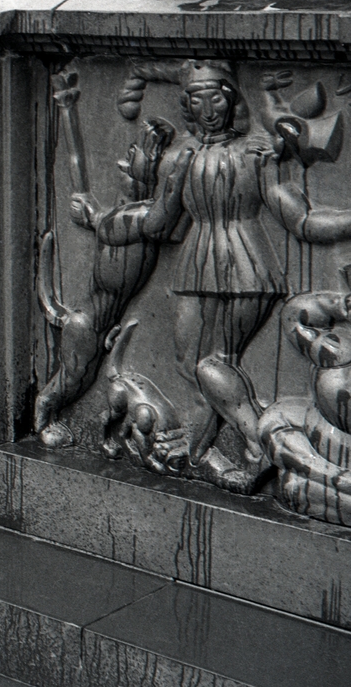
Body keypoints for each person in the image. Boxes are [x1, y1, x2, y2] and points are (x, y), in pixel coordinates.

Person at [80, 59, 351, 493]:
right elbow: (160, 220)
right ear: (186, 104)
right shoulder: (180, 157)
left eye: (218, 96)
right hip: (195, 264)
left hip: (247, 267)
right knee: (192, 365)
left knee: (211, 365)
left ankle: (258, 444)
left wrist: (105, 221)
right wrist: (108, 219)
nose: (209, 108)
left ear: (232, 99)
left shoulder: (254, 153)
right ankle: (203, 449)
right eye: (198, 99)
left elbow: (298, 219)